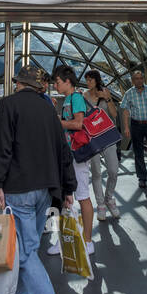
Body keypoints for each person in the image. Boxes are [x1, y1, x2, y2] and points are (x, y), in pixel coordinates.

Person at [0, 64, 76, 294]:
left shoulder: (9, 105)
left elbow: (2, 146)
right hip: (46, 190)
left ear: (19, 83)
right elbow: (62, 149)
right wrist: (68, 188)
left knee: (25, 253)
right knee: (29, 247)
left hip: (20, 189)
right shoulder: (49, 109)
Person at [53, 65, 95, 255]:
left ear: (67, 81)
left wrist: (57, 122)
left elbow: (78, 124)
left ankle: (87, 240)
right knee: (64, 198)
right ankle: (63, 239)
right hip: (67, 155)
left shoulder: (76, 98)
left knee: (82, 195)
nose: (55, 85)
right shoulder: (68, 99)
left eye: (58, 82)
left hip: (77, 155)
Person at [83, 70, 120, 220]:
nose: (88, 82)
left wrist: (108, 98)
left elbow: (114, 114)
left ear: (97, 80)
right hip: (92, 138)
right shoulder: (84, 96)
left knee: (113, 170)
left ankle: (109, 197)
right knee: (96, 172)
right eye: (87, 80)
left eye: (91, 79)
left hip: (107, 136)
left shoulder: (105, 92)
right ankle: (101, 204)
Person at [121, 69, 147, 189]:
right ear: (132, 81)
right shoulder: (129, 93)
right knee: (138, 152)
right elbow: (125, 111)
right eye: (136, 79)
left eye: (141, 78)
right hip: (136, 125)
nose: (139, 81)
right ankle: (142, 178)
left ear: (143, 79)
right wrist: (126, 127)